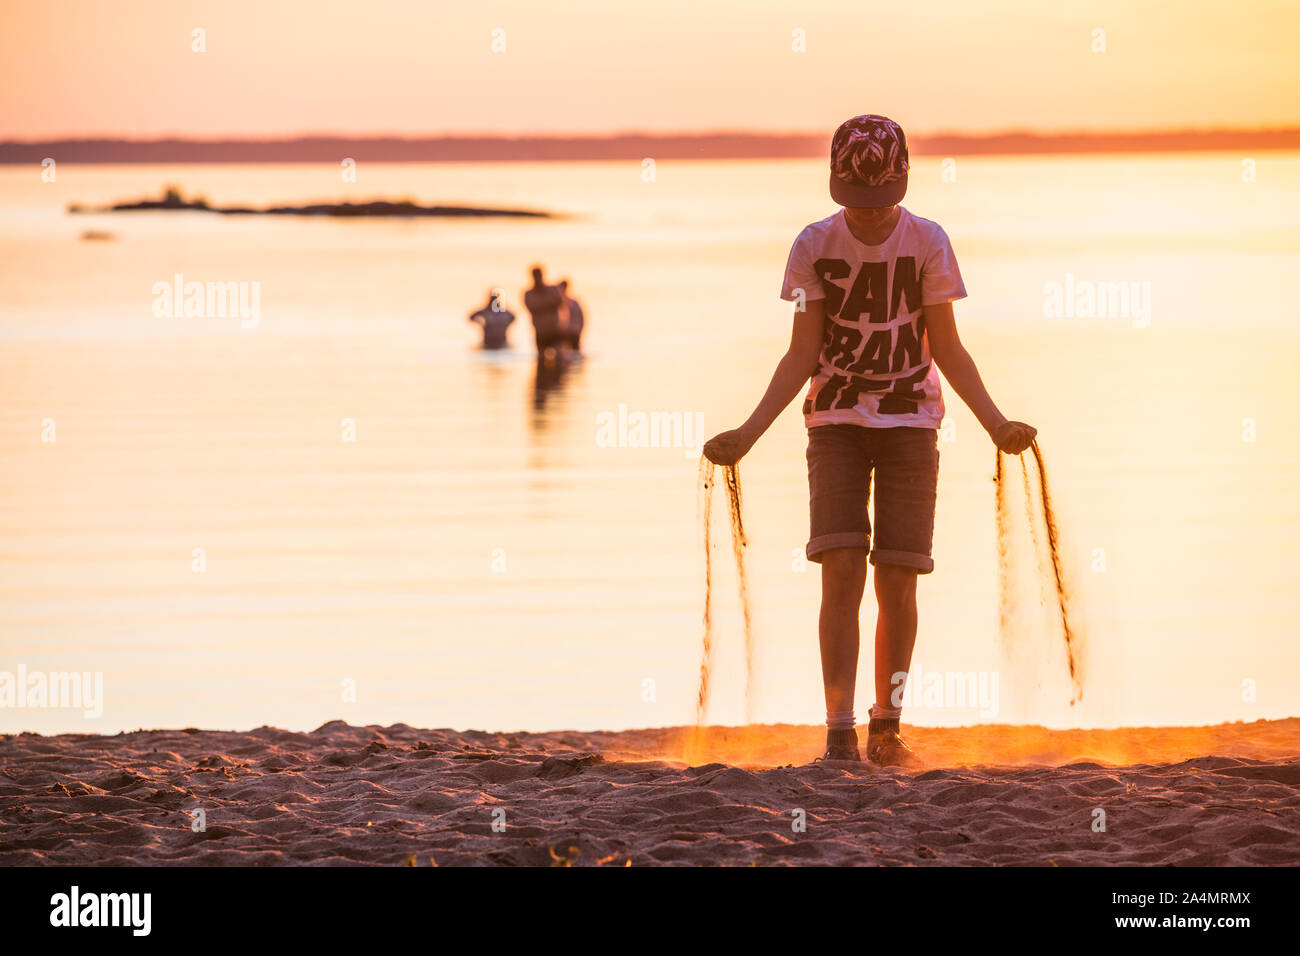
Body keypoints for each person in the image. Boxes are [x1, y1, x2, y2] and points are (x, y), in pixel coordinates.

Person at [703, 114, 1036, 767]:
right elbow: (801, 354)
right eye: (858, 204)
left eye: (882, 203)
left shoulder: (929, 242)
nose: (871, 217)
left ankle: (887, 725)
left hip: (913, 421)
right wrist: (745, 433)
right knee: (841, 571)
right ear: (836, 190)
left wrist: (996, 423)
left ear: (902, 185)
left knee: (899, 578)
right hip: (835, 423)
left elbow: (949, 349)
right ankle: (837, 732)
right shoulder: (812, 246)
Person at [522, 266, 565, 355]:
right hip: (540, 332)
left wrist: (541, 306)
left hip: (555, 330)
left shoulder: (553, 289)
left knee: (559, 358)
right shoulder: (529, 293)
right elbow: (531, 307)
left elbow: (560, 302)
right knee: (541, 359)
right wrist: (549, 304)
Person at [557, 279, 585, 352]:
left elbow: (581, 318)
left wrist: (578, 330)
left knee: (573, 351)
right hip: (565, 333)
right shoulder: (556, 302)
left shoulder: (573, 302)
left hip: (572, 332)